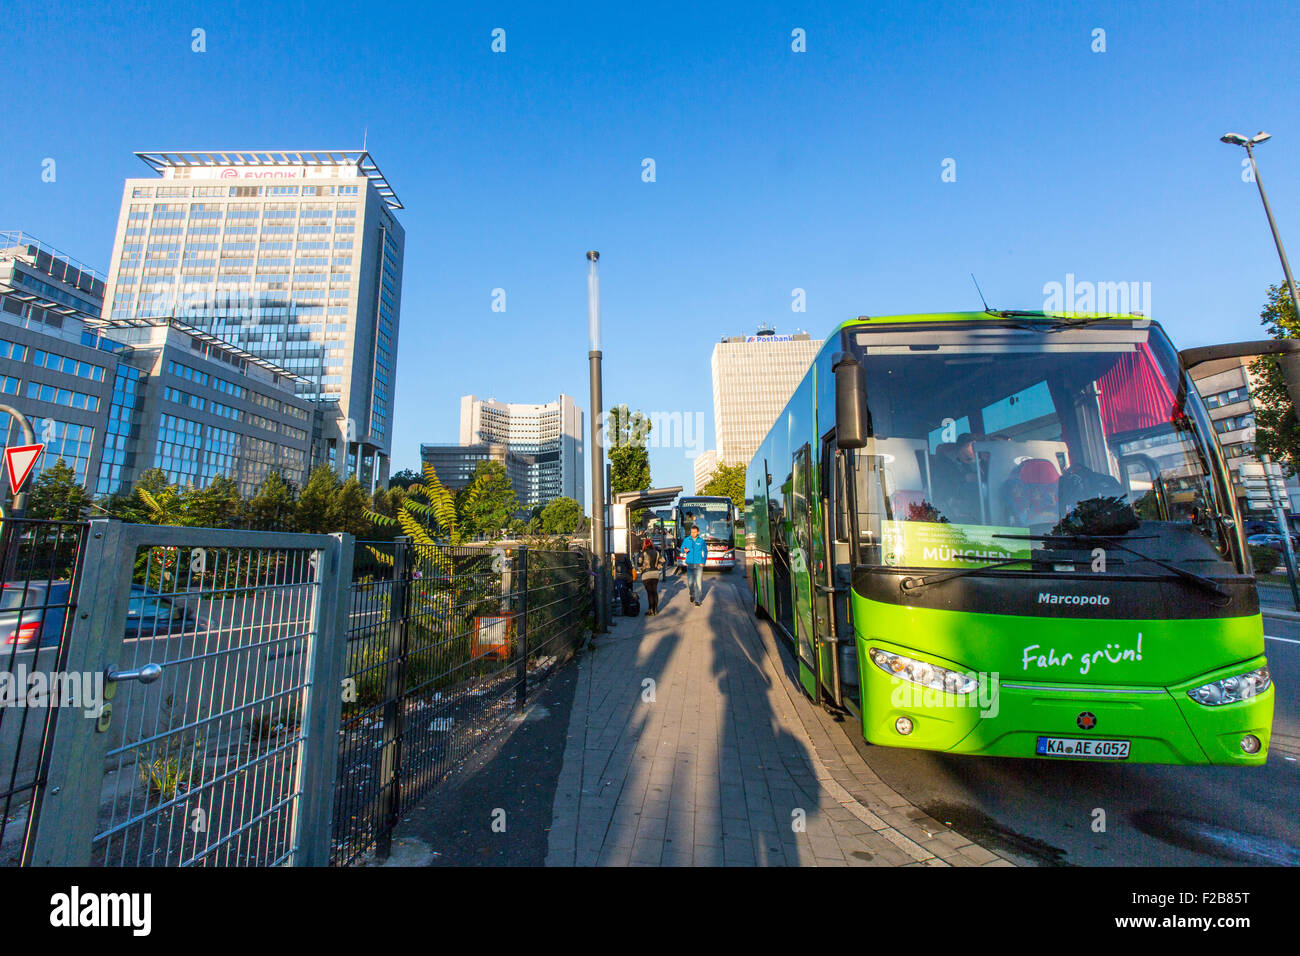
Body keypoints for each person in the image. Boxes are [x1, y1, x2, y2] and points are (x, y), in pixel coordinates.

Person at [932, 432, 984, 523]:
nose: (975, 450)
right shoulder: (945, 463)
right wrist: (964, 478)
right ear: (963, 447)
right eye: (973, 446)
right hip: (951, 507)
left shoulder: (971, 463)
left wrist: (977, 464)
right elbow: (944, 483)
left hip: (973, 510)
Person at [681, 523, 708, 606]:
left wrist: (703, 561)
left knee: (698, 583)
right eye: (692, 532)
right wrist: (684, 550)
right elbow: (682, 548)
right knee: (690, 583)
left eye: (694, 532)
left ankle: (697, 600)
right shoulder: (686, 540)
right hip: (689, 564)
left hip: (699, 564)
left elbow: (705, 551)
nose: (693, 534)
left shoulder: (701, 541)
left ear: (698, 532)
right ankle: (692, 594)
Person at [638, 538, 661, 615]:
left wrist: (641, 570)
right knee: (654, 591)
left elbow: (639, 563)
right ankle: (655, 610)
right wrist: (658, 567)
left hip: (646, 574)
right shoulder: (657, 552)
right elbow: (663, 561)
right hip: (655, 573)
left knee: (649, 593)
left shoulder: (643, 553)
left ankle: (650, 610)